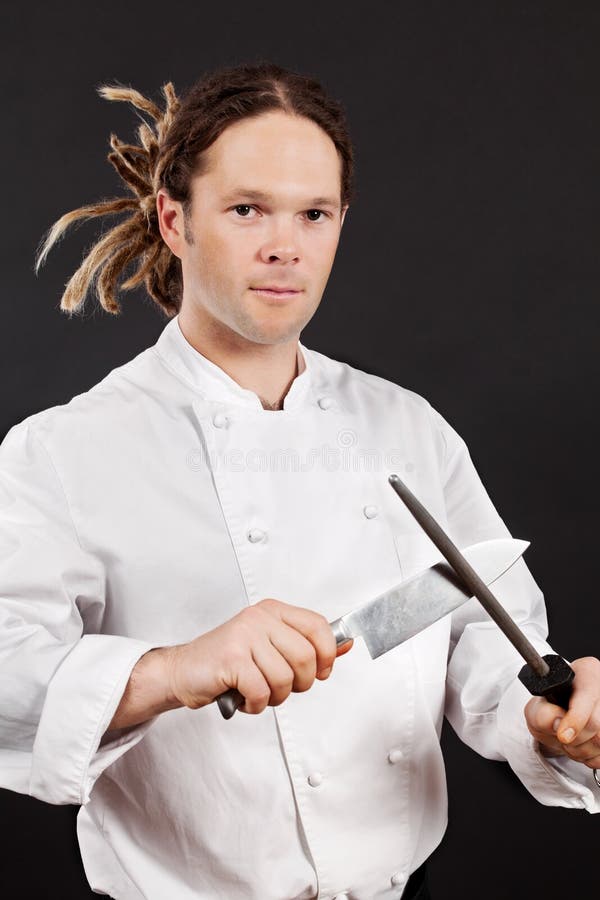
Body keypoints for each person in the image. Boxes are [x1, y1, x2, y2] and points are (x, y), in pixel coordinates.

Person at [0, 61, 598, 900]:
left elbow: (492, 645)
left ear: (340, 223)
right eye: (247, 209)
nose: (285, 245)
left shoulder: (404, 428)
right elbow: (7, 685)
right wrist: (172, 670)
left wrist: (551, 713)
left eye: (313, 214)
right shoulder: (66, 451)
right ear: (175, 220)